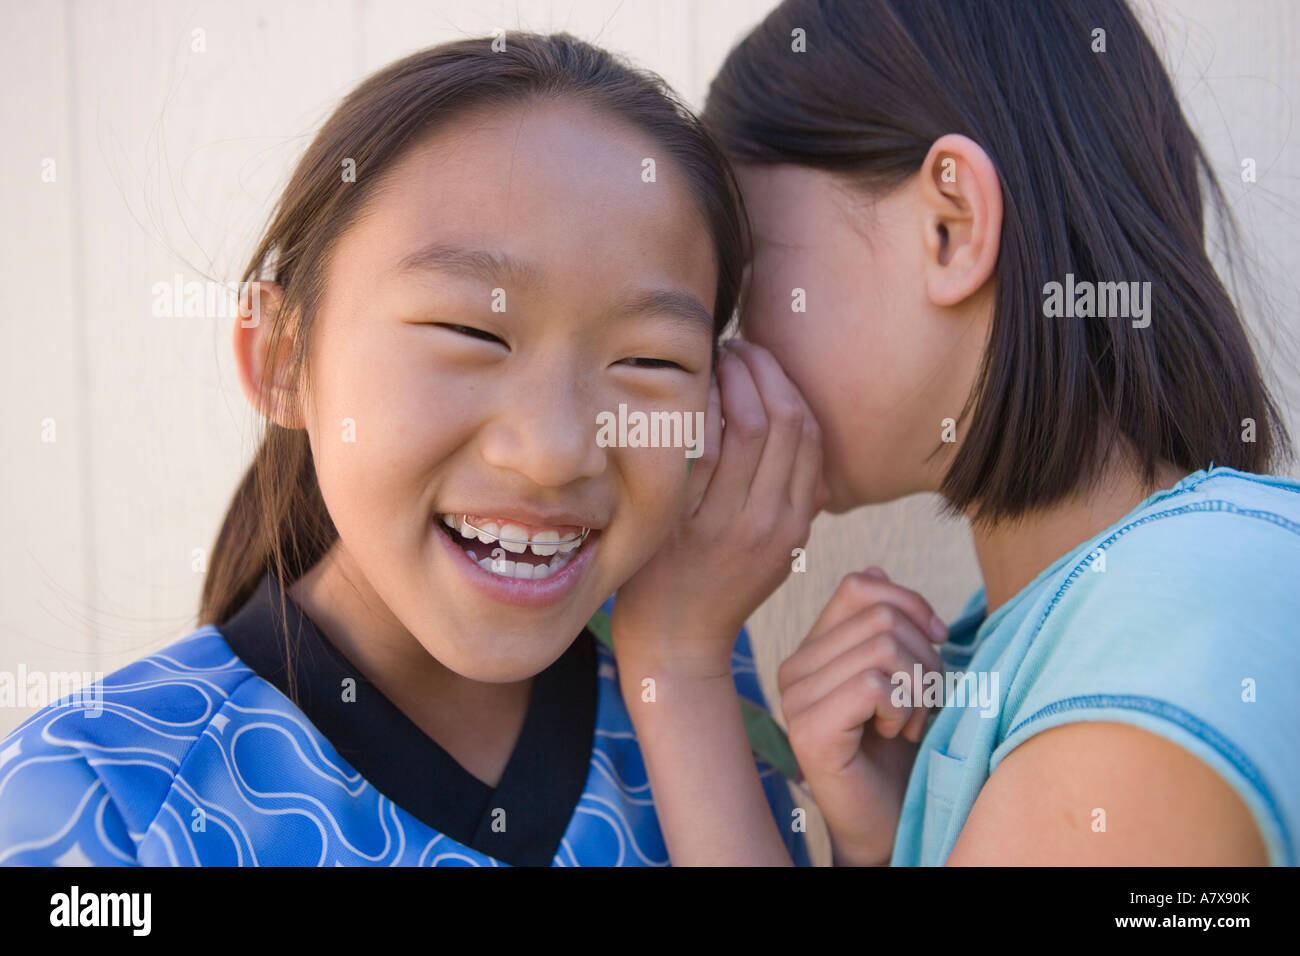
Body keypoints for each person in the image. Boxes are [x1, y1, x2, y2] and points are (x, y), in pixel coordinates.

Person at [0, 32, 819, 867]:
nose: (555, 451)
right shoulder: (98, 801)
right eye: (471, 332)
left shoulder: (691, 677)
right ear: (284, 358)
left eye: (650, 361)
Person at [690, 0, 1300, 865]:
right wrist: (887, 836)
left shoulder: (1177, 609)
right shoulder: (1054, 635)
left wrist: (680, 668)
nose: (729, 361)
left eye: (752, 284)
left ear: (953, 226)